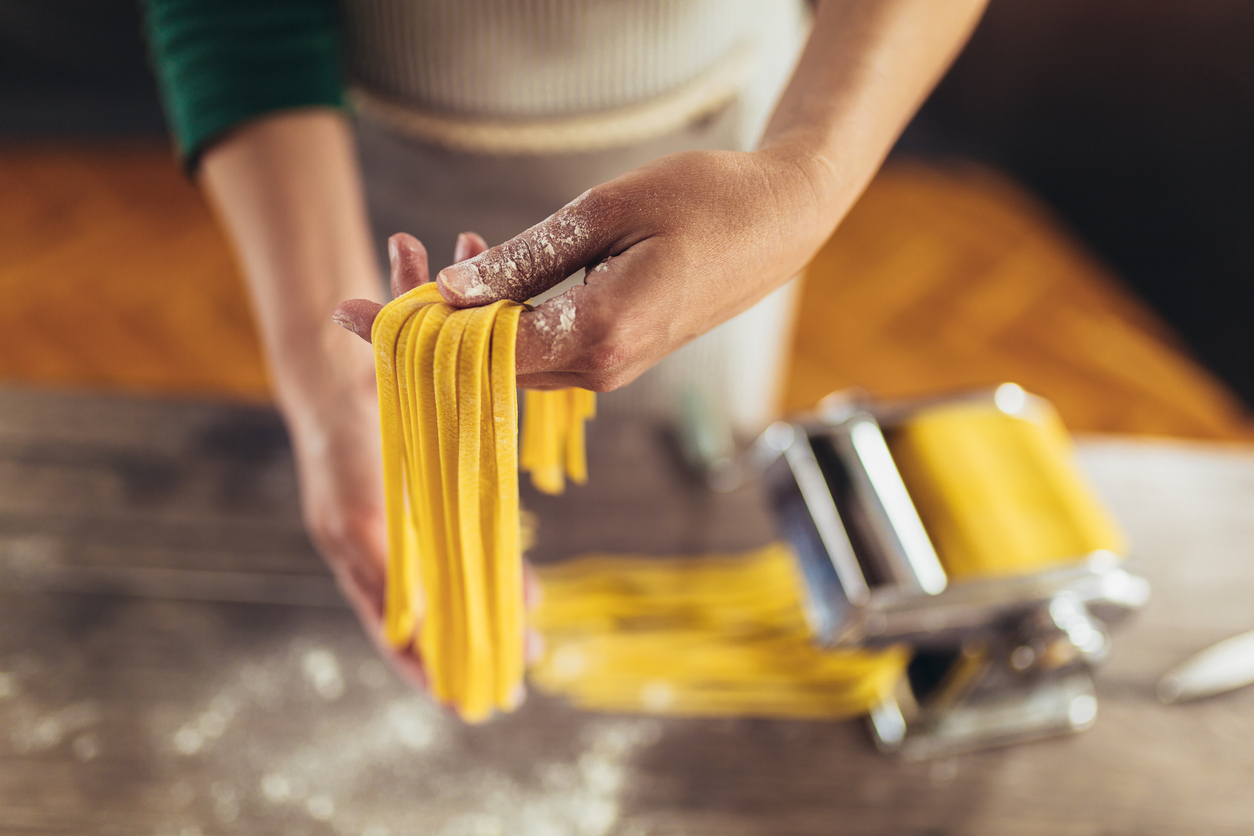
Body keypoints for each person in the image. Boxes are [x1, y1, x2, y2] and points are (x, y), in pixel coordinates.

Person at [144, 0, 987, 697]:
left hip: (737, 164)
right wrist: (335, 394)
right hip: (347, 163)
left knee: (687, 475)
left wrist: (805, 179)